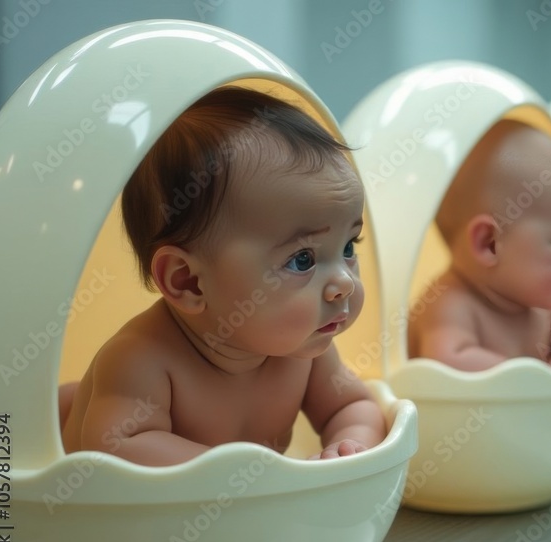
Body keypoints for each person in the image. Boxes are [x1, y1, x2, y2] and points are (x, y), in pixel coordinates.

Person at [59, 87, 385, 466]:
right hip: (78, 492)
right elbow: (115, 447)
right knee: (52, 411)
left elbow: (353, 406)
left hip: (241, 500)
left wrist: (348, 445)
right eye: (302, 260)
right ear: (188, 281)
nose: (344, 282)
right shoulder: (140, 360)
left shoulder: (306, 350)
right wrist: (241, 475)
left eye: (348, 248)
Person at [407, 119, 551, 373]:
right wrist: (535, 377)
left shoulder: (537, 306)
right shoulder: (451, 306)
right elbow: (446, 362)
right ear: (489, 244)